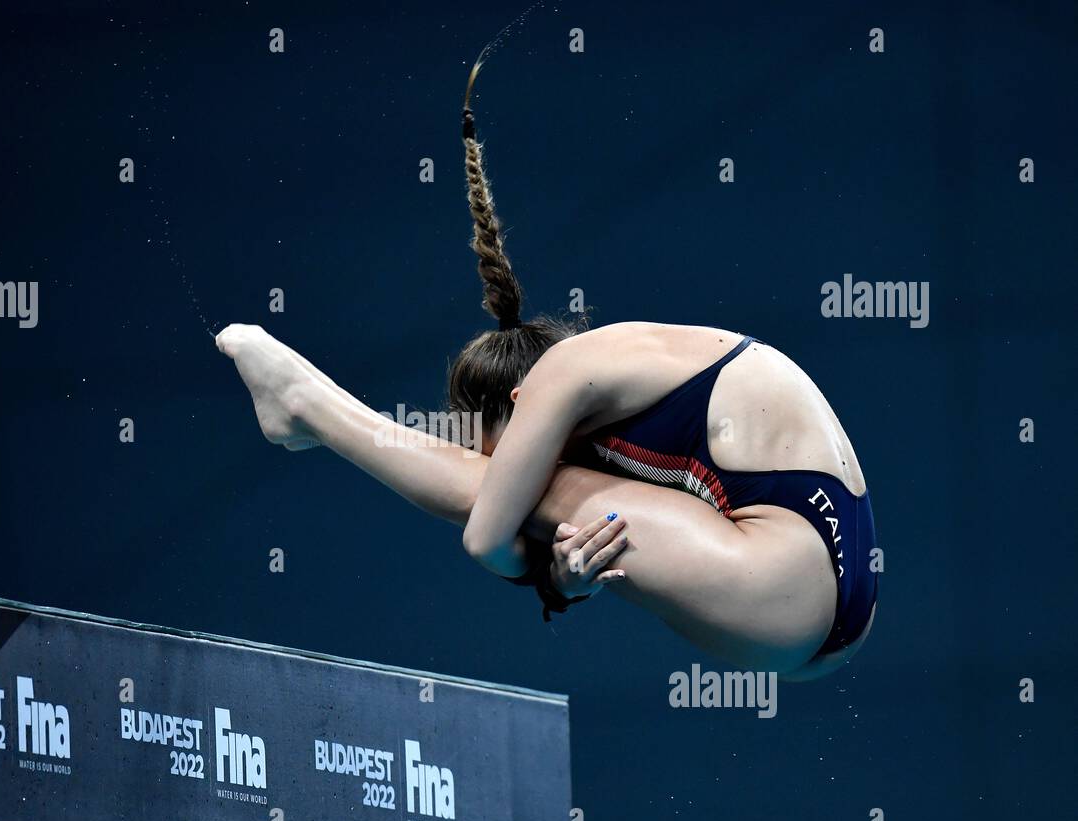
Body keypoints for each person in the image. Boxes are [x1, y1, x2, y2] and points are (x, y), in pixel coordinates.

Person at [215, 108, 877, 682]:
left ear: (518, 395)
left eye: (497, 448)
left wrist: (533, 547)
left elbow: (484, 539)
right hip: (832, 603)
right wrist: (564, 579)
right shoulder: (635, 381)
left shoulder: (565, 372)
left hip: (785, 588)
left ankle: (305, 401)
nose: (504, 467)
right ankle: (305, 407)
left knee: (513, 500)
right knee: (561, 511)